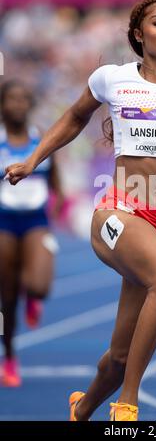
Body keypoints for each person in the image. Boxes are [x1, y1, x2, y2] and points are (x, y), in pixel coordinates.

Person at [5, 0, 156, 419]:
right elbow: (74, 118)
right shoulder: (112, 78)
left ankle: (81, 410)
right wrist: (33, 159)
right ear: (139, 34)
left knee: (118, 357)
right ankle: (128, 404)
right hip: (120, 213)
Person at [0, 80, 63, 387]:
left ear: (30, 104)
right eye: (11, 99)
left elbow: (56, 182)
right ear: (2, 105)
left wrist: (56, 207)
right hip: (3, 222)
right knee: (6, 298)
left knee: (38, 285)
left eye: (23, 98)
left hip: (37, 220)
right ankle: (10, 356)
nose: (17, 105)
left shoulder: (42, 139)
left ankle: (33, 295)